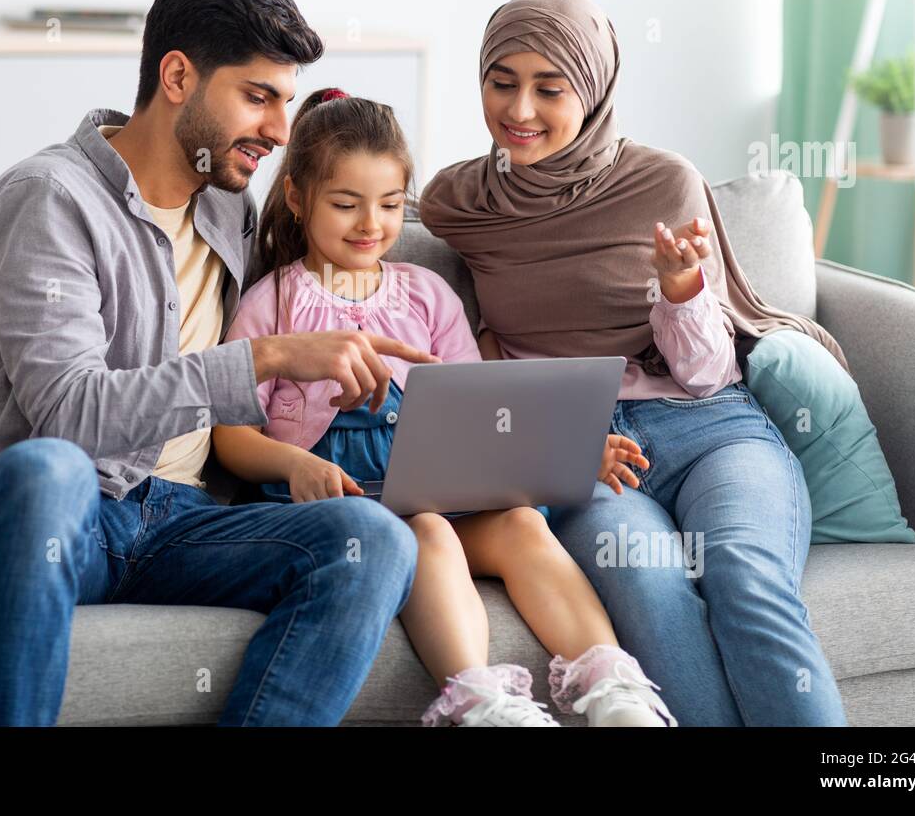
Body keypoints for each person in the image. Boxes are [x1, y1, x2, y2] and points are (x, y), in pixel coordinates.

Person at [0, 0, 440, 726]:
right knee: (51, 468)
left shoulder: (230, 207)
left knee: (374, 540)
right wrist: (267, 359)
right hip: (43, 512)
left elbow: (348, 224)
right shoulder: (50, 199)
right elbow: (67, 412)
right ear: (177, 76)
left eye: (285, 102)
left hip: (176, 519)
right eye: (257, 97)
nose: (276, 129)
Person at [418, 0, 850, 726]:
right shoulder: (460, 203)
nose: (520, 110)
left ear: (592, 91)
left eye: (549, 89)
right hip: (583, 452)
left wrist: (683, 289)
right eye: (502, 82)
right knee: (649, 589)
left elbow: (709, 372)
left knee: (744, 572)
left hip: (708, 425)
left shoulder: (662, 181)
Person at [213, 87, 676, 727]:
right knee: (426, 528)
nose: (370, 224)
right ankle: (484, 704)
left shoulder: (427, 295)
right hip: (352, 516)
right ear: (297, 198)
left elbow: (483, 414)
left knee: (521, 523)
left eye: (390, 205)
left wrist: (566, 450)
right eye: (346, 204)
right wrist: (292, 462)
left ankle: (614, 689)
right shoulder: (275, 304)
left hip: (441, 495)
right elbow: (227, 435)